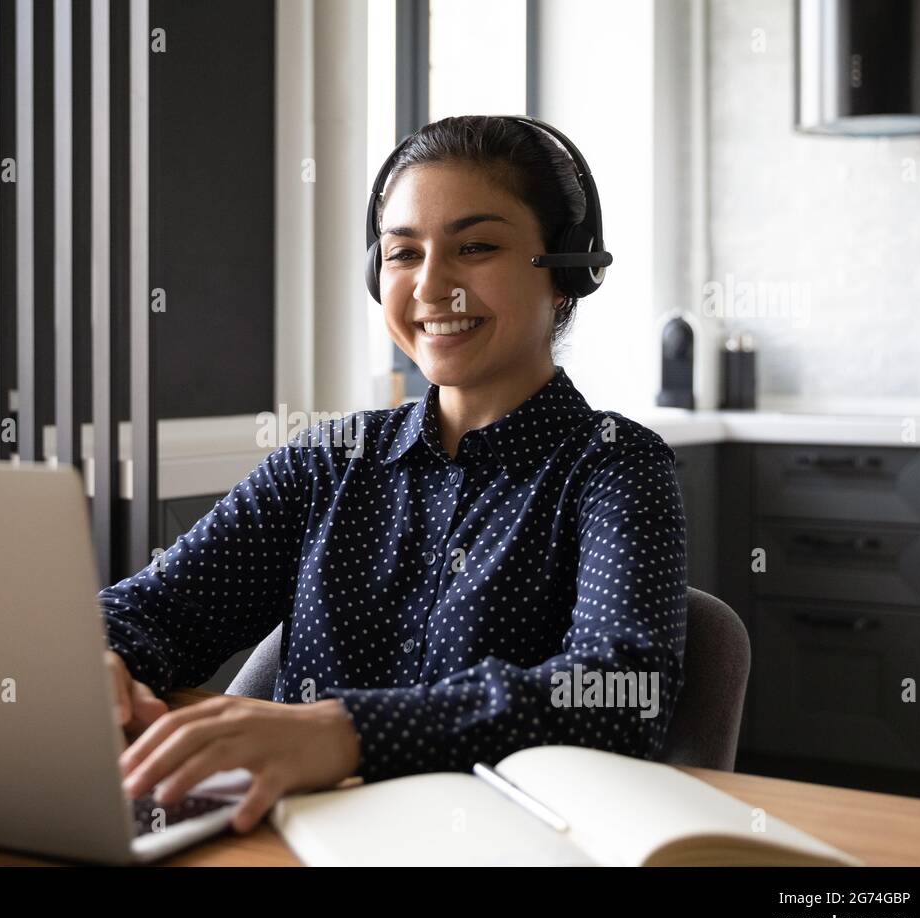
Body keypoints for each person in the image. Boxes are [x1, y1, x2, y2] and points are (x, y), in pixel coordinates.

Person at [100, 115, 688, 834]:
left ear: (566, 272)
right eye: (404, 253)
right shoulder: (327, 461)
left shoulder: (613, 465)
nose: (432, 284)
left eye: (475, 247)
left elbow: (623, 691)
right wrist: (99, 655)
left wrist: (345, 731)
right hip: (286, 839)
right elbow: (152, 611)